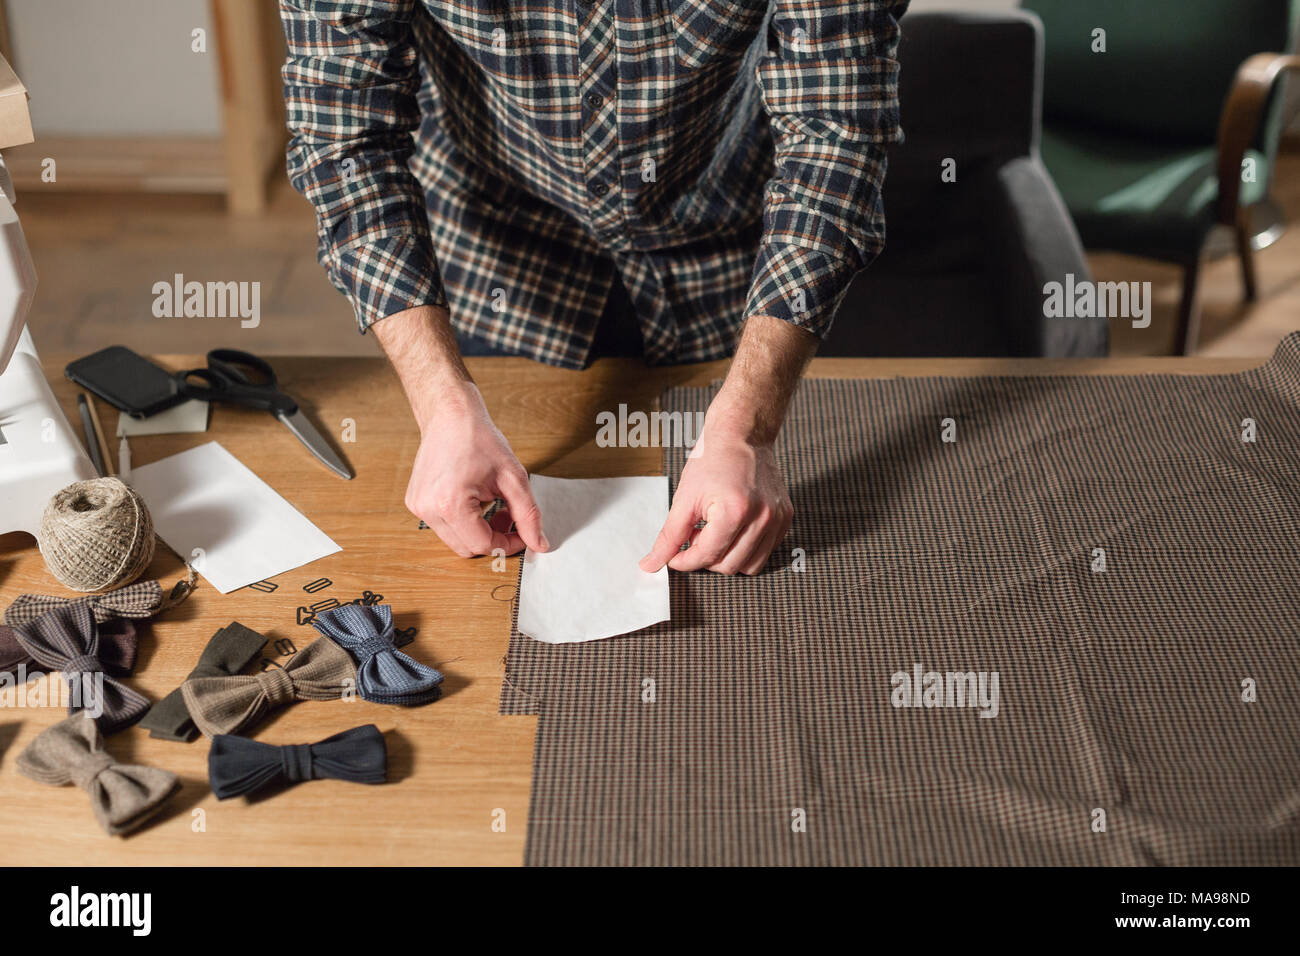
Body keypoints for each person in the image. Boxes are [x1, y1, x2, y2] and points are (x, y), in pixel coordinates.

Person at [280, 1, 907, 574]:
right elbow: (344, 139)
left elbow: (837, 138)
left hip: (737, 266)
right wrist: (442, 403)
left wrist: (748, 426)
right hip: (497, 261)